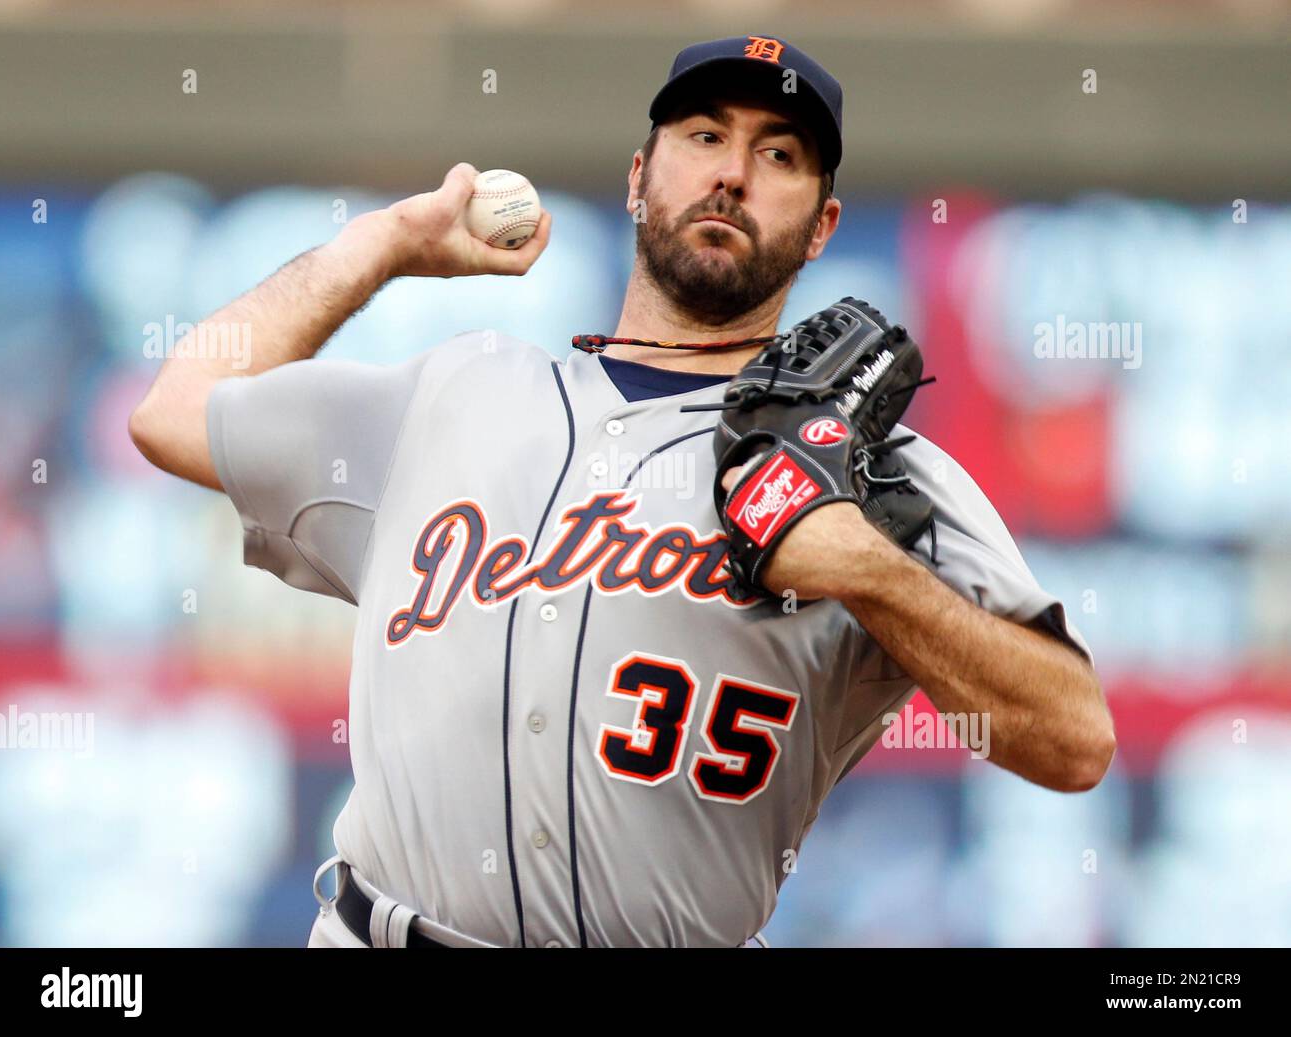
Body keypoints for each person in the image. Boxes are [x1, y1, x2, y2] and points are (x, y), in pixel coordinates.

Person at [129, 34, 1115, 949]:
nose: (732, 170)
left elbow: (1073, 740)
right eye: (703, 136)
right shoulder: (454, 393)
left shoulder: (866, 470)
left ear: (822, 227)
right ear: (640, 180)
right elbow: (175, 413)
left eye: (779, 155)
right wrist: (377, 248)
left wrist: (868, 568)